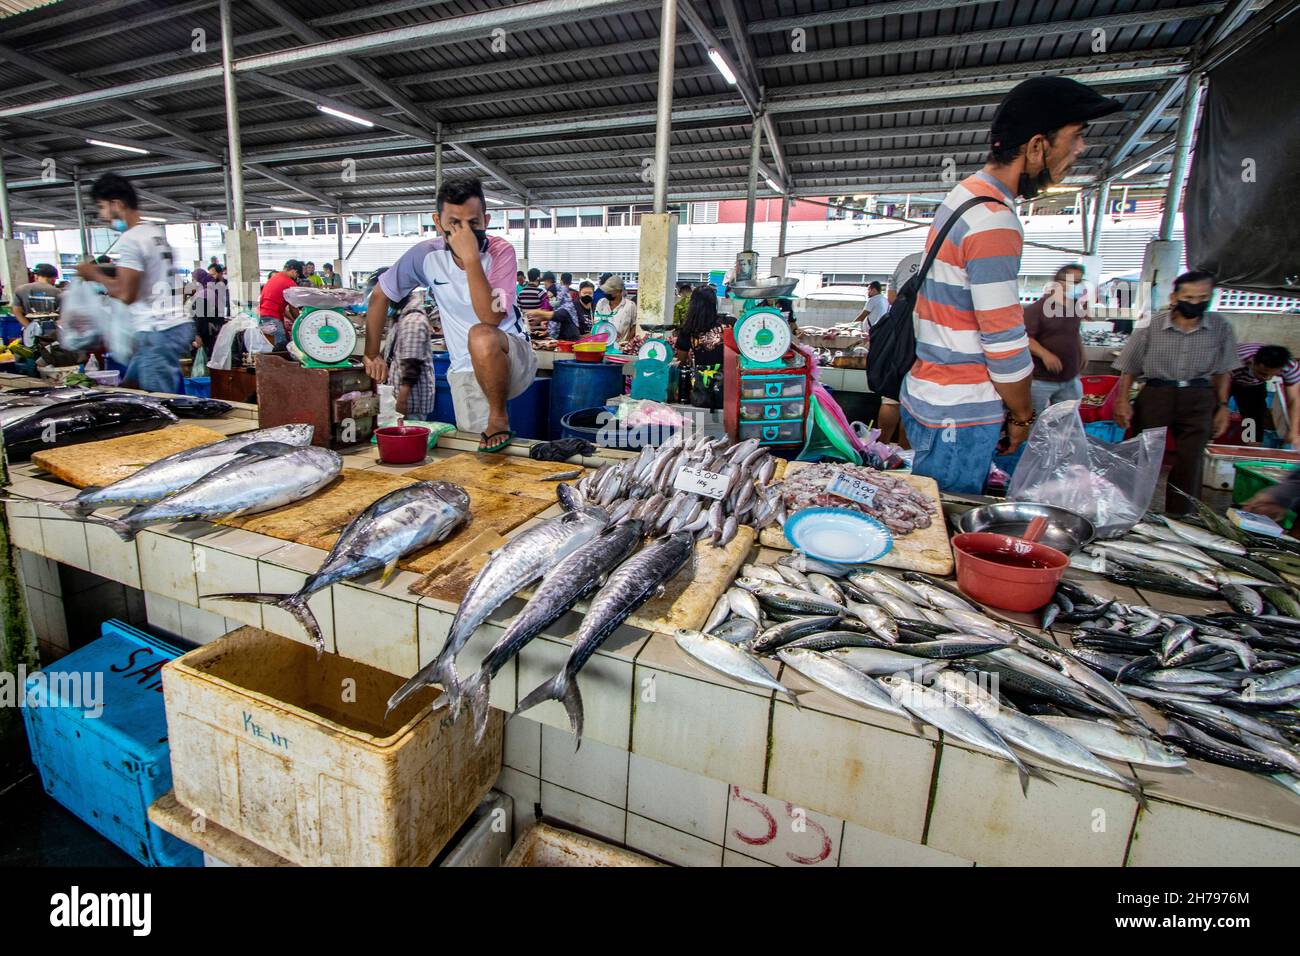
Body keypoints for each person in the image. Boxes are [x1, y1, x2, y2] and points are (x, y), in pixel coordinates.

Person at [898, 76, 1122, 493]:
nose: (1080, 150)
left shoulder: (963, 196)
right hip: (960, 409)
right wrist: (1022, 416)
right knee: (942, 528)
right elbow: (1002, 340)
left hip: (929, 394)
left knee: (930, 513)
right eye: (1076, 137)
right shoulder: (994, 220)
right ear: (1037, 146)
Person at [363, 177, 534, 453]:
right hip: (465, 369)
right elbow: (381, 295)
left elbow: (491, 318)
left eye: (473, 224)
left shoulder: (501, 252)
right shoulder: (425, 256)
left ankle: (498, 416)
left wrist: (471, 260)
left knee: (480, 334)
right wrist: (372, 353)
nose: (464, 232)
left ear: (486, 220)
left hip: (512, 356)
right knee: (479, 454)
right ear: (438, 221)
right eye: (454, 224)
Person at [1112, 270, 1238, 515]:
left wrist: (1223, 406)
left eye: (1202, 298)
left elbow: (1223, 371)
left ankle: (1182, 516)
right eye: (1189, 298)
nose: (1195, 303)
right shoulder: (1151, 325)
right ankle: (1131, 510)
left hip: (1199, 395)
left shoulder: (1220, 327)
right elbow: (1129, 367)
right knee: (1144, 453)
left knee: (1191, 460)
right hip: (1158, 393)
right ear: (1175, 297)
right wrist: (1122, 400)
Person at [74, 173, 194, 393]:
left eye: (101, 207)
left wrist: (93, 275)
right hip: (174, 325)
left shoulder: (131, 239)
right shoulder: (155, 233)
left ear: (116, 204)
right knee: (131, 388)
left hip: (157, 329)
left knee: (160, 403)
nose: (102, 215)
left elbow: (126, 294)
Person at [1024, 263, 1087, 414]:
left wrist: (1081, 352)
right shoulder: (1037, 309)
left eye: (1080, 282)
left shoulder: (1075, 308)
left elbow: (1073, 333)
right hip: (1041, 380)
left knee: (1067, 420)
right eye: (1074, 282)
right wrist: (1045, 354)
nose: (1077, 286)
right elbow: (1024, 338)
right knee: (1033, 420)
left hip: (1070, 378)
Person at [1230, 343, 1300, 447]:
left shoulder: (1290, 366)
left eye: (1273, 375)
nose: (1267, 378)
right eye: (1263, 373)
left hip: (1253, 386)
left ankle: (1251, 447)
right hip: (1224, 379)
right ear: (1252, 362)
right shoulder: (1235, 359)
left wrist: (1293, 431)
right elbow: (1218, 384)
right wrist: (1222, 406)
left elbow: (1293, 400)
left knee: (1253, 416)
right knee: (1212, 412)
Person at [385, 292, 436, 421]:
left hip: (410, 404)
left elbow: (412, 365)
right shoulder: (403, 317)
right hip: (403, 400)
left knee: (410, 438)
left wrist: (402, 402)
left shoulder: (413, 321)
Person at [674, 285, 724, 368]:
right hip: (728, 376)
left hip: (701, 378)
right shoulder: (729, 322)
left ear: (692, 304)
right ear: (714, 302)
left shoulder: (687, 329)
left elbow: (681, 361)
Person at [259, 259, 302, 347]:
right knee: (281, 345)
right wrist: (301, 321)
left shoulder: (275, 277)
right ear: (294, 271)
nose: (296, 277)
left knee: (282, 340)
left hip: (262, 316)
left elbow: (279, 306)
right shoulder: (289, 283)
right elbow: (293, 307)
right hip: (271, 318)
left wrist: (294, 320)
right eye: (297, 275)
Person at [191, 262, 229, 356]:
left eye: (194, 280)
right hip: (213, 333)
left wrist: (198, 335)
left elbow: (200, 317)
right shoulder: (210, 291)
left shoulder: (203, 294)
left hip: (205, 335)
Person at [10, 263, 61, 327]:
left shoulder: (21, 289)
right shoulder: (58, 292)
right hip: (52, 332)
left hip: (30, 331)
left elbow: (16, 311)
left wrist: (29, 327)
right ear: (53, 278)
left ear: (36, 276)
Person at [595, 275, 638, 345]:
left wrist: (628, 340)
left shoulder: (630, 305)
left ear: (618, 292)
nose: (605, 293)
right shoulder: (601, 303)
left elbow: (634, 325)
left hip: (620, 346)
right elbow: (596, 323)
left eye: (609, 291)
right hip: (601, 344)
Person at [542, 270, 580, 340]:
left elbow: (556, 321)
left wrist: (539, 314)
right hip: (565, 338)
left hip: (569, 339)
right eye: (549, 298)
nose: (550, 300)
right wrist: (547, 332)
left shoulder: (565, 309)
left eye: (551, 297)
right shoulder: (561, 304)